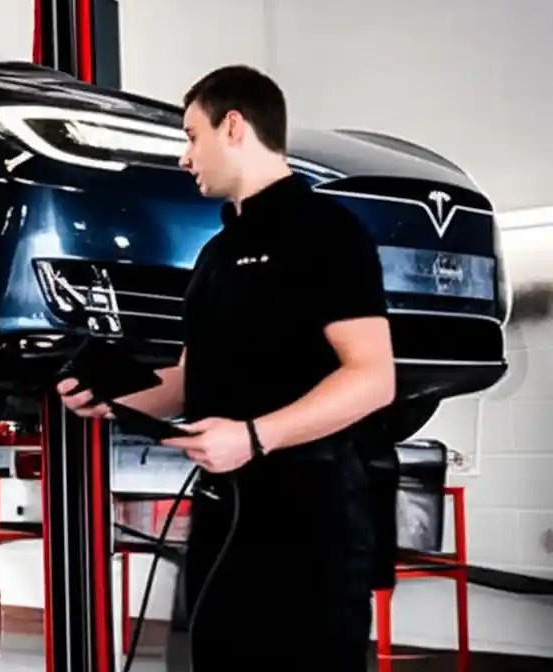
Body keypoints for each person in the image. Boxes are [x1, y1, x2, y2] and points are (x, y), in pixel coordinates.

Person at [57, 64, 396, 670]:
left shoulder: (328, 233)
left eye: (191, 136)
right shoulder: (215, 254)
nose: (185, 158)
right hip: (223, 510)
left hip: (310, 521)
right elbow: (193, 377)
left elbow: (373, 377)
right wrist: (114, 398)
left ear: (233, 126)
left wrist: (253, 437)